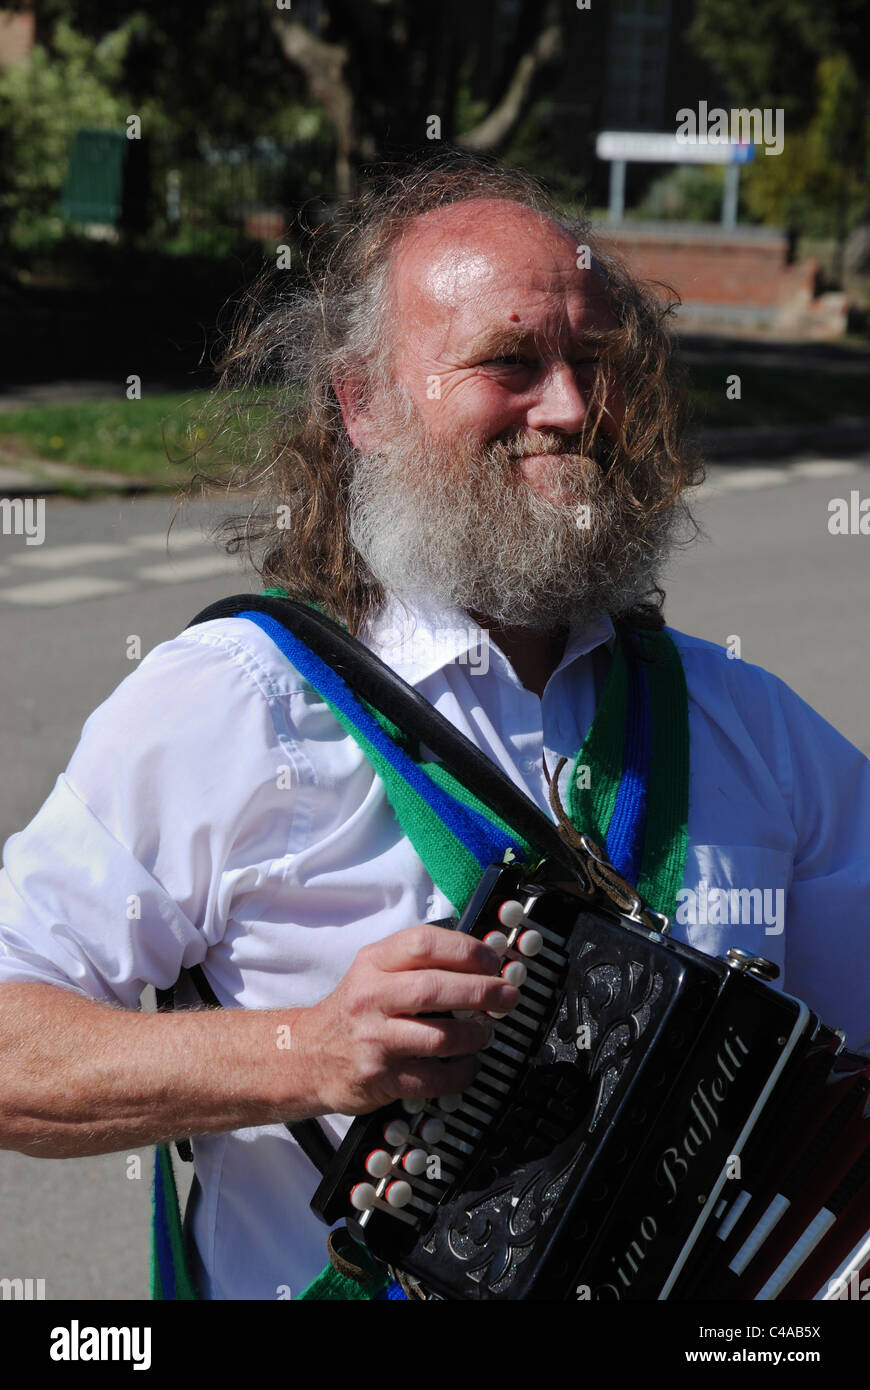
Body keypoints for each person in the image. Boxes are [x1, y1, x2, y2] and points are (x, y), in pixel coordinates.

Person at [0, 156, 868, 1301]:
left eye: (596, 362)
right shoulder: (235, 703)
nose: (568, 407)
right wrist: (303, 1051)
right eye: (509, 361)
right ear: (364, 403)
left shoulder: (747, 721)